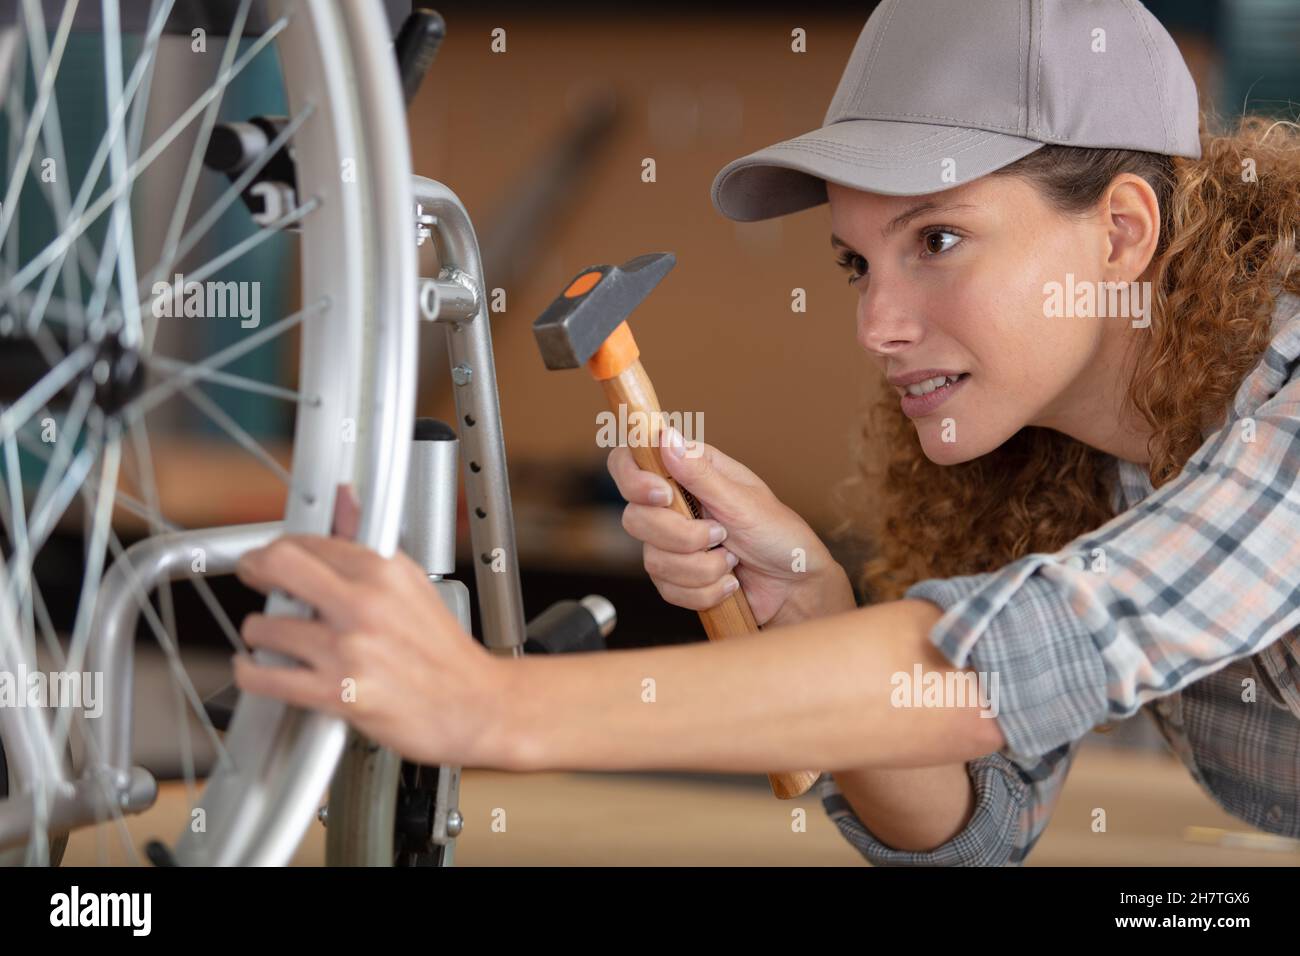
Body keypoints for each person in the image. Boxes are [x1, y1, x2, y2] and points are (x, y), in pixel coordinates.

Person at [231, 0, 1300, 865]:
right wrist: (813, 608)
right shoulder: (1058, 451)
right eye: (857, 261)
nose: (877, 325)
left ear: (1121, 230)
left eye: (937, 237)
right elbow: (979, 826)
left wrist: (495, 705)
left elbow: (1051, 643)